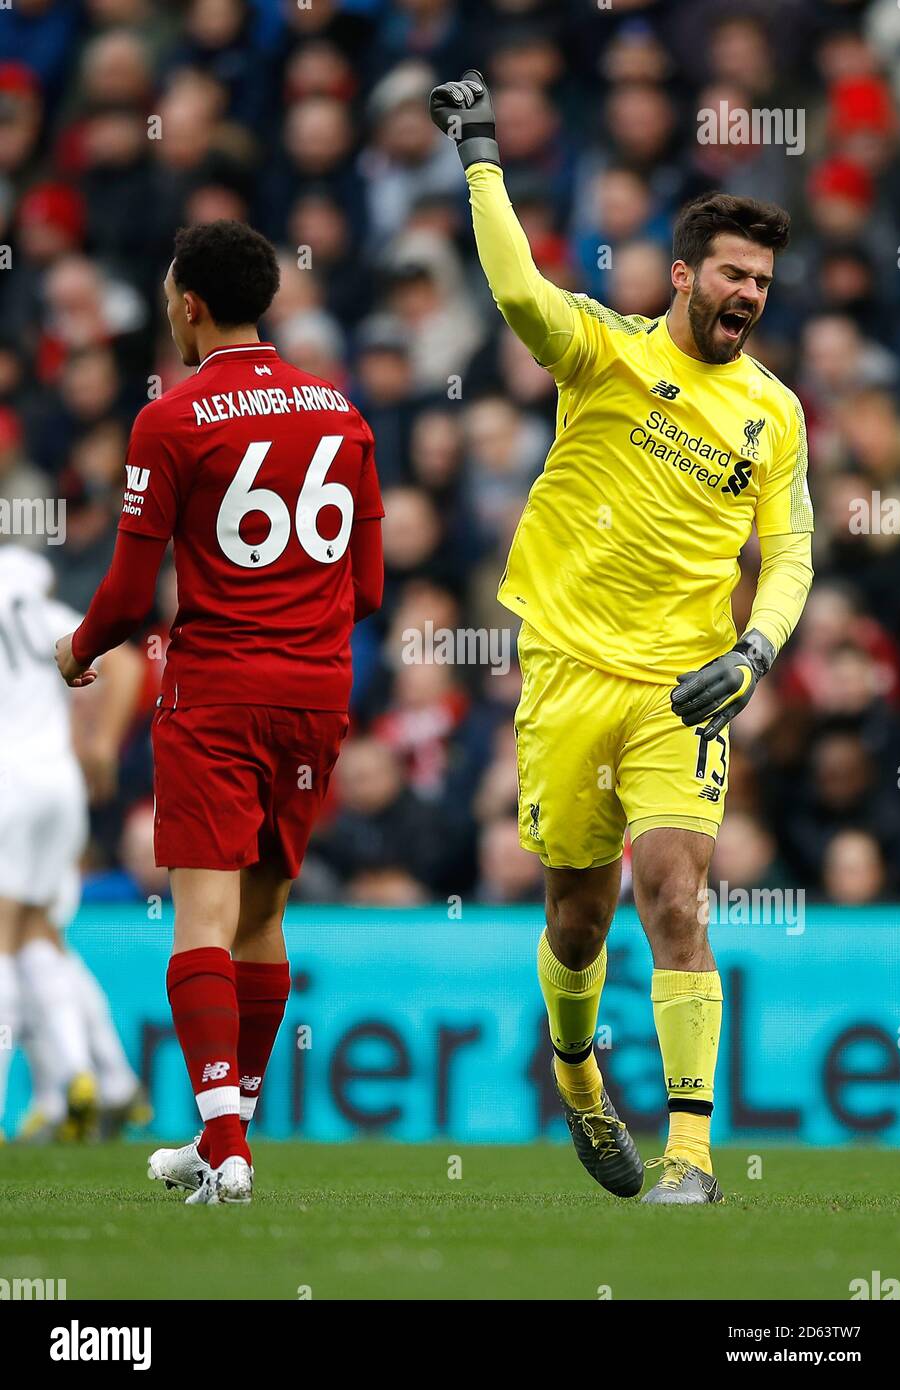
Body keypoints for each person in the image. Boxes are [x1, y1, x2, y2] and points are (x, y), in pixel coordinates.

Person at [430, 72, 813, 1204]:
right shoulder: (602, 350)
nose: (747, 294)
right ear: (683, 274)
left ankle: (689, 1159)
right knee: (575, 914)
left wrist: (755, 651)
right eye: (732, 274)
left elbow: (786, 550)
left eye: (762, 281)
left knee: (675, 894)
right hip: (564, 673)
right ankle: (576, 1074)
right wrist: (482, 159)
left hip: (684, 685)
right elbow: (511, 291)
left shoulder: (774, 411)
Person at [55, 221, 384, 1204]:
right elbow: (365, 587)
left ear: (188, 303)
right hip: (316, 693)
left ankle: (226, 1147)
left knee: (201, 916)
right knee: (264, 910)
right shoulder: (343, 414)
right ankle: (224, 1129)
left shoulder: (171, 417)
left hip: (218, 691)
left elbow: (123, 593)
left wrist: (77, 650)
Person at [0, 546, 142, 1142]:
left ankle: (72, 1084)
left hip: (6, 783)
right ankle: (97, 1078)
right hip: (59, 784)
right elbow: (130, 663)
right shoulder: (46, 613)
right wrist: (104, 743)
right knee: (38, 930)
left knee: (3, 939)